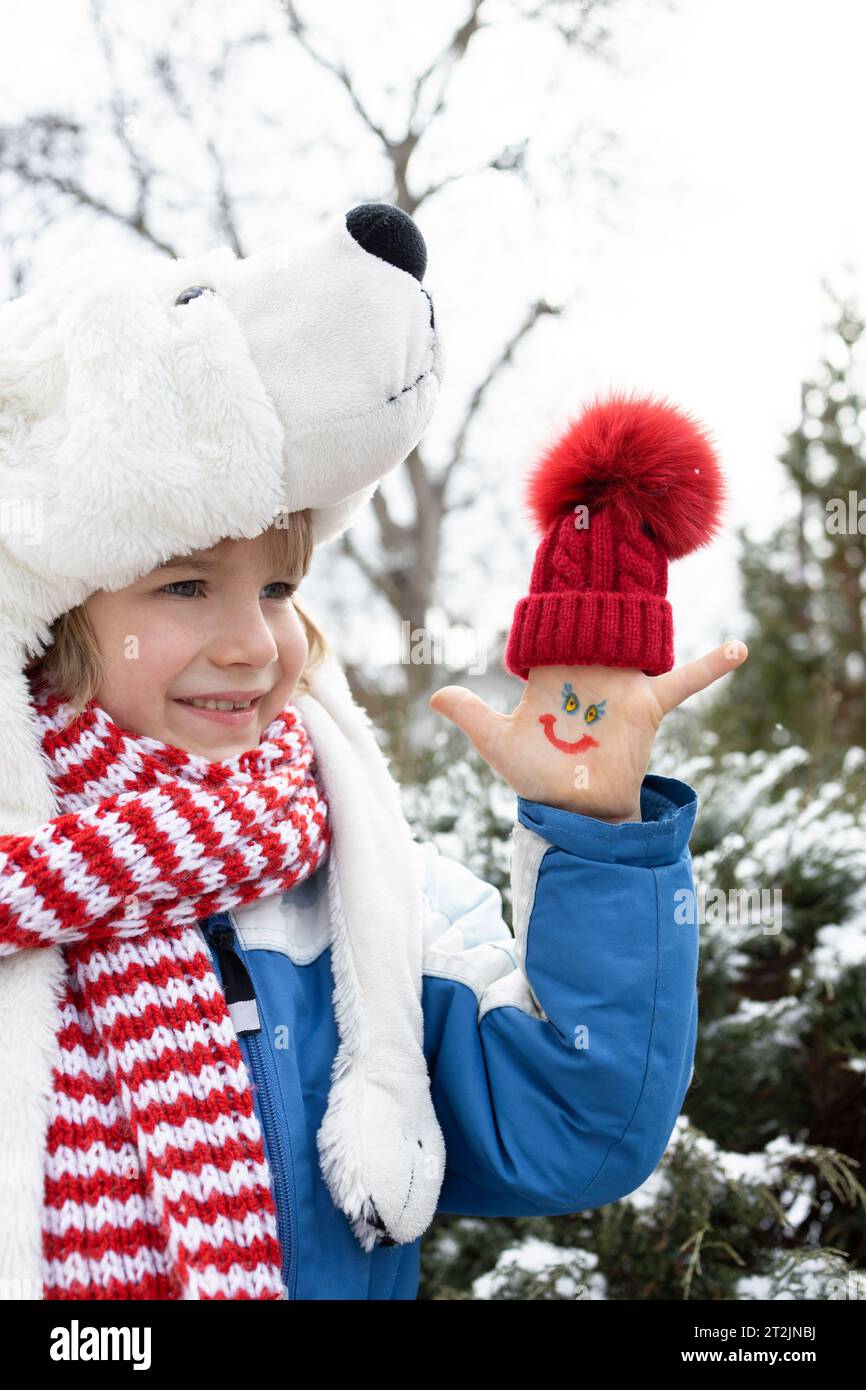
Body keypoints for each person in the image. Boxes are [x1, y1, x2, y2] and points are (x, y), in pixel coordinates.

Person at [0, 204, 746, 1301]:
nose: (256, 641)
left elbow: (573, 1122)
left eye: (277, 587)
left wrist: (590, 828)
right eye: (186, 585)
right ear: (58, 610)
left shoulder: (361, 882)